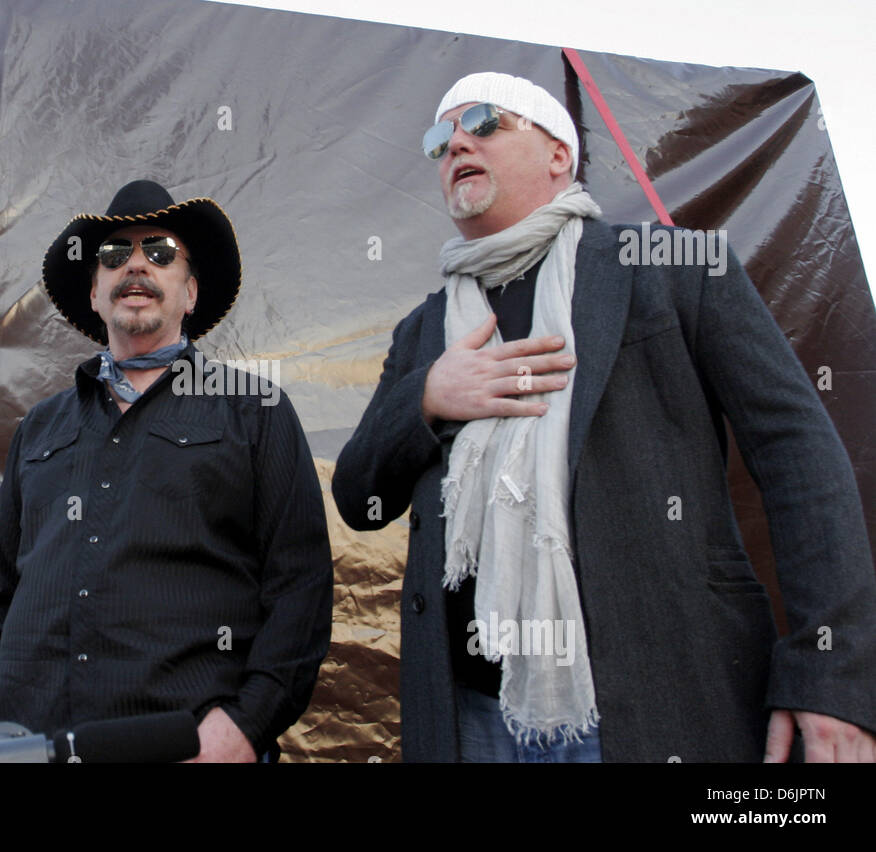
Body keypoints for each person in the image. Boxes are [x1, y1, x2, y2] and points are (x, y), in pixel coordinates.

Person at [332, 72, 876, 762]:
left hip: (656, 698)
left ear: (560, 154)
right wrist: (427, 398)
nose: (456, 143)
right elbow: (360, 497)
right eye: (440, 139)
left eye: (483, 122)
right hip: (473, 715)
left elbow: (800, 457)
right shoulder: (425, 331)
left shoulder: (673, 267)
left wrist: (831, 676)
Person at [0, 180, 331, 761]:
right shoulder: (40, 428)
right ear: (96, 292)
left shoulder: (256, 413)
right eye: (113, 254)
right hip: (24, 743)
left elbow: (300, 589)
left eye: (159, 252)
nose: (135, 265)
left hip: (182, 746)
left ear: (191, 292)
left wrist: (245, 727)